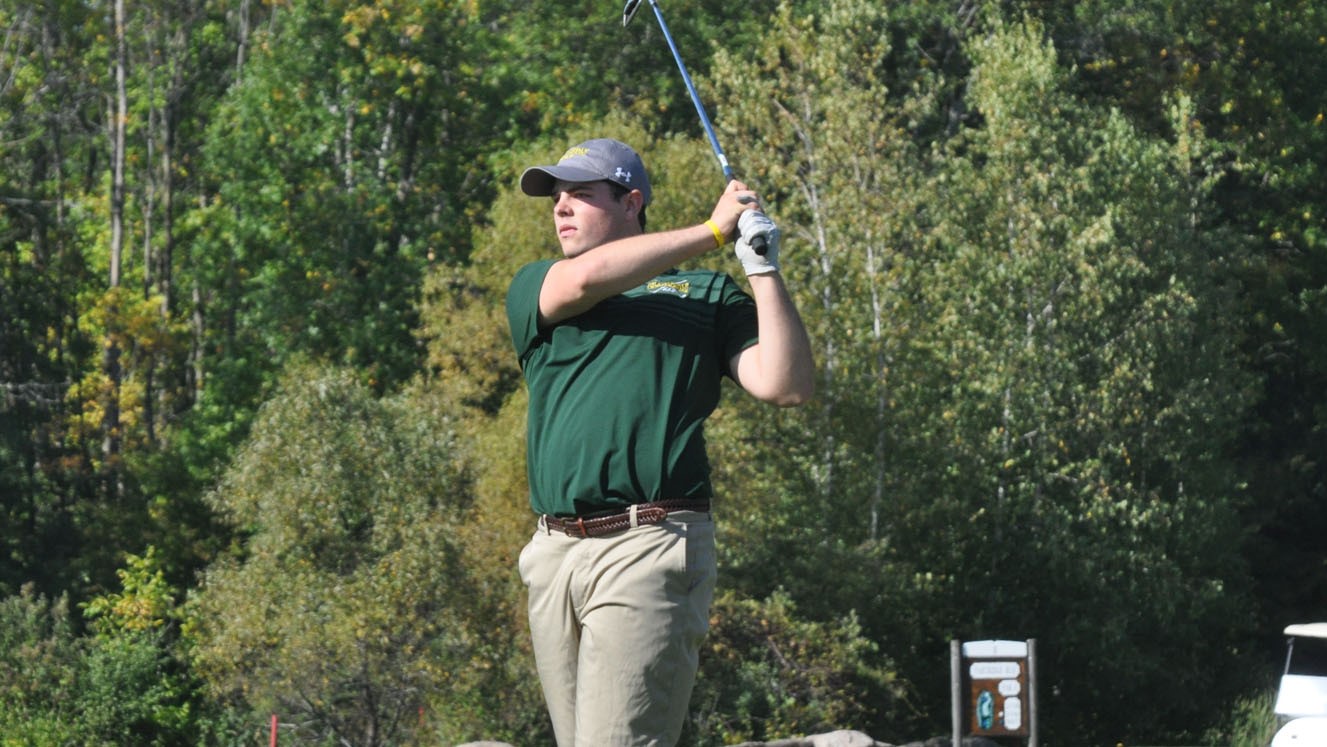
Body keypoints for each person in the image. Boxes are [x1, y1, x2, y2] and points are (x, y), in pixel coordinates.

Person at [505, 137, 814, 746]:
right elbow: (586, 279)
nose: (560, 208)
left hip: (649, 542)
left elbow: (785, 384)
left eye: (581, 195)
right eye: (556, 198)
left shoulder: (703, 295)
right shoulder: (542, 287)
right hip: (553, 555)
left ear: (632, 202)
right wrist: (711, 229)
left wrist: (761, 267)